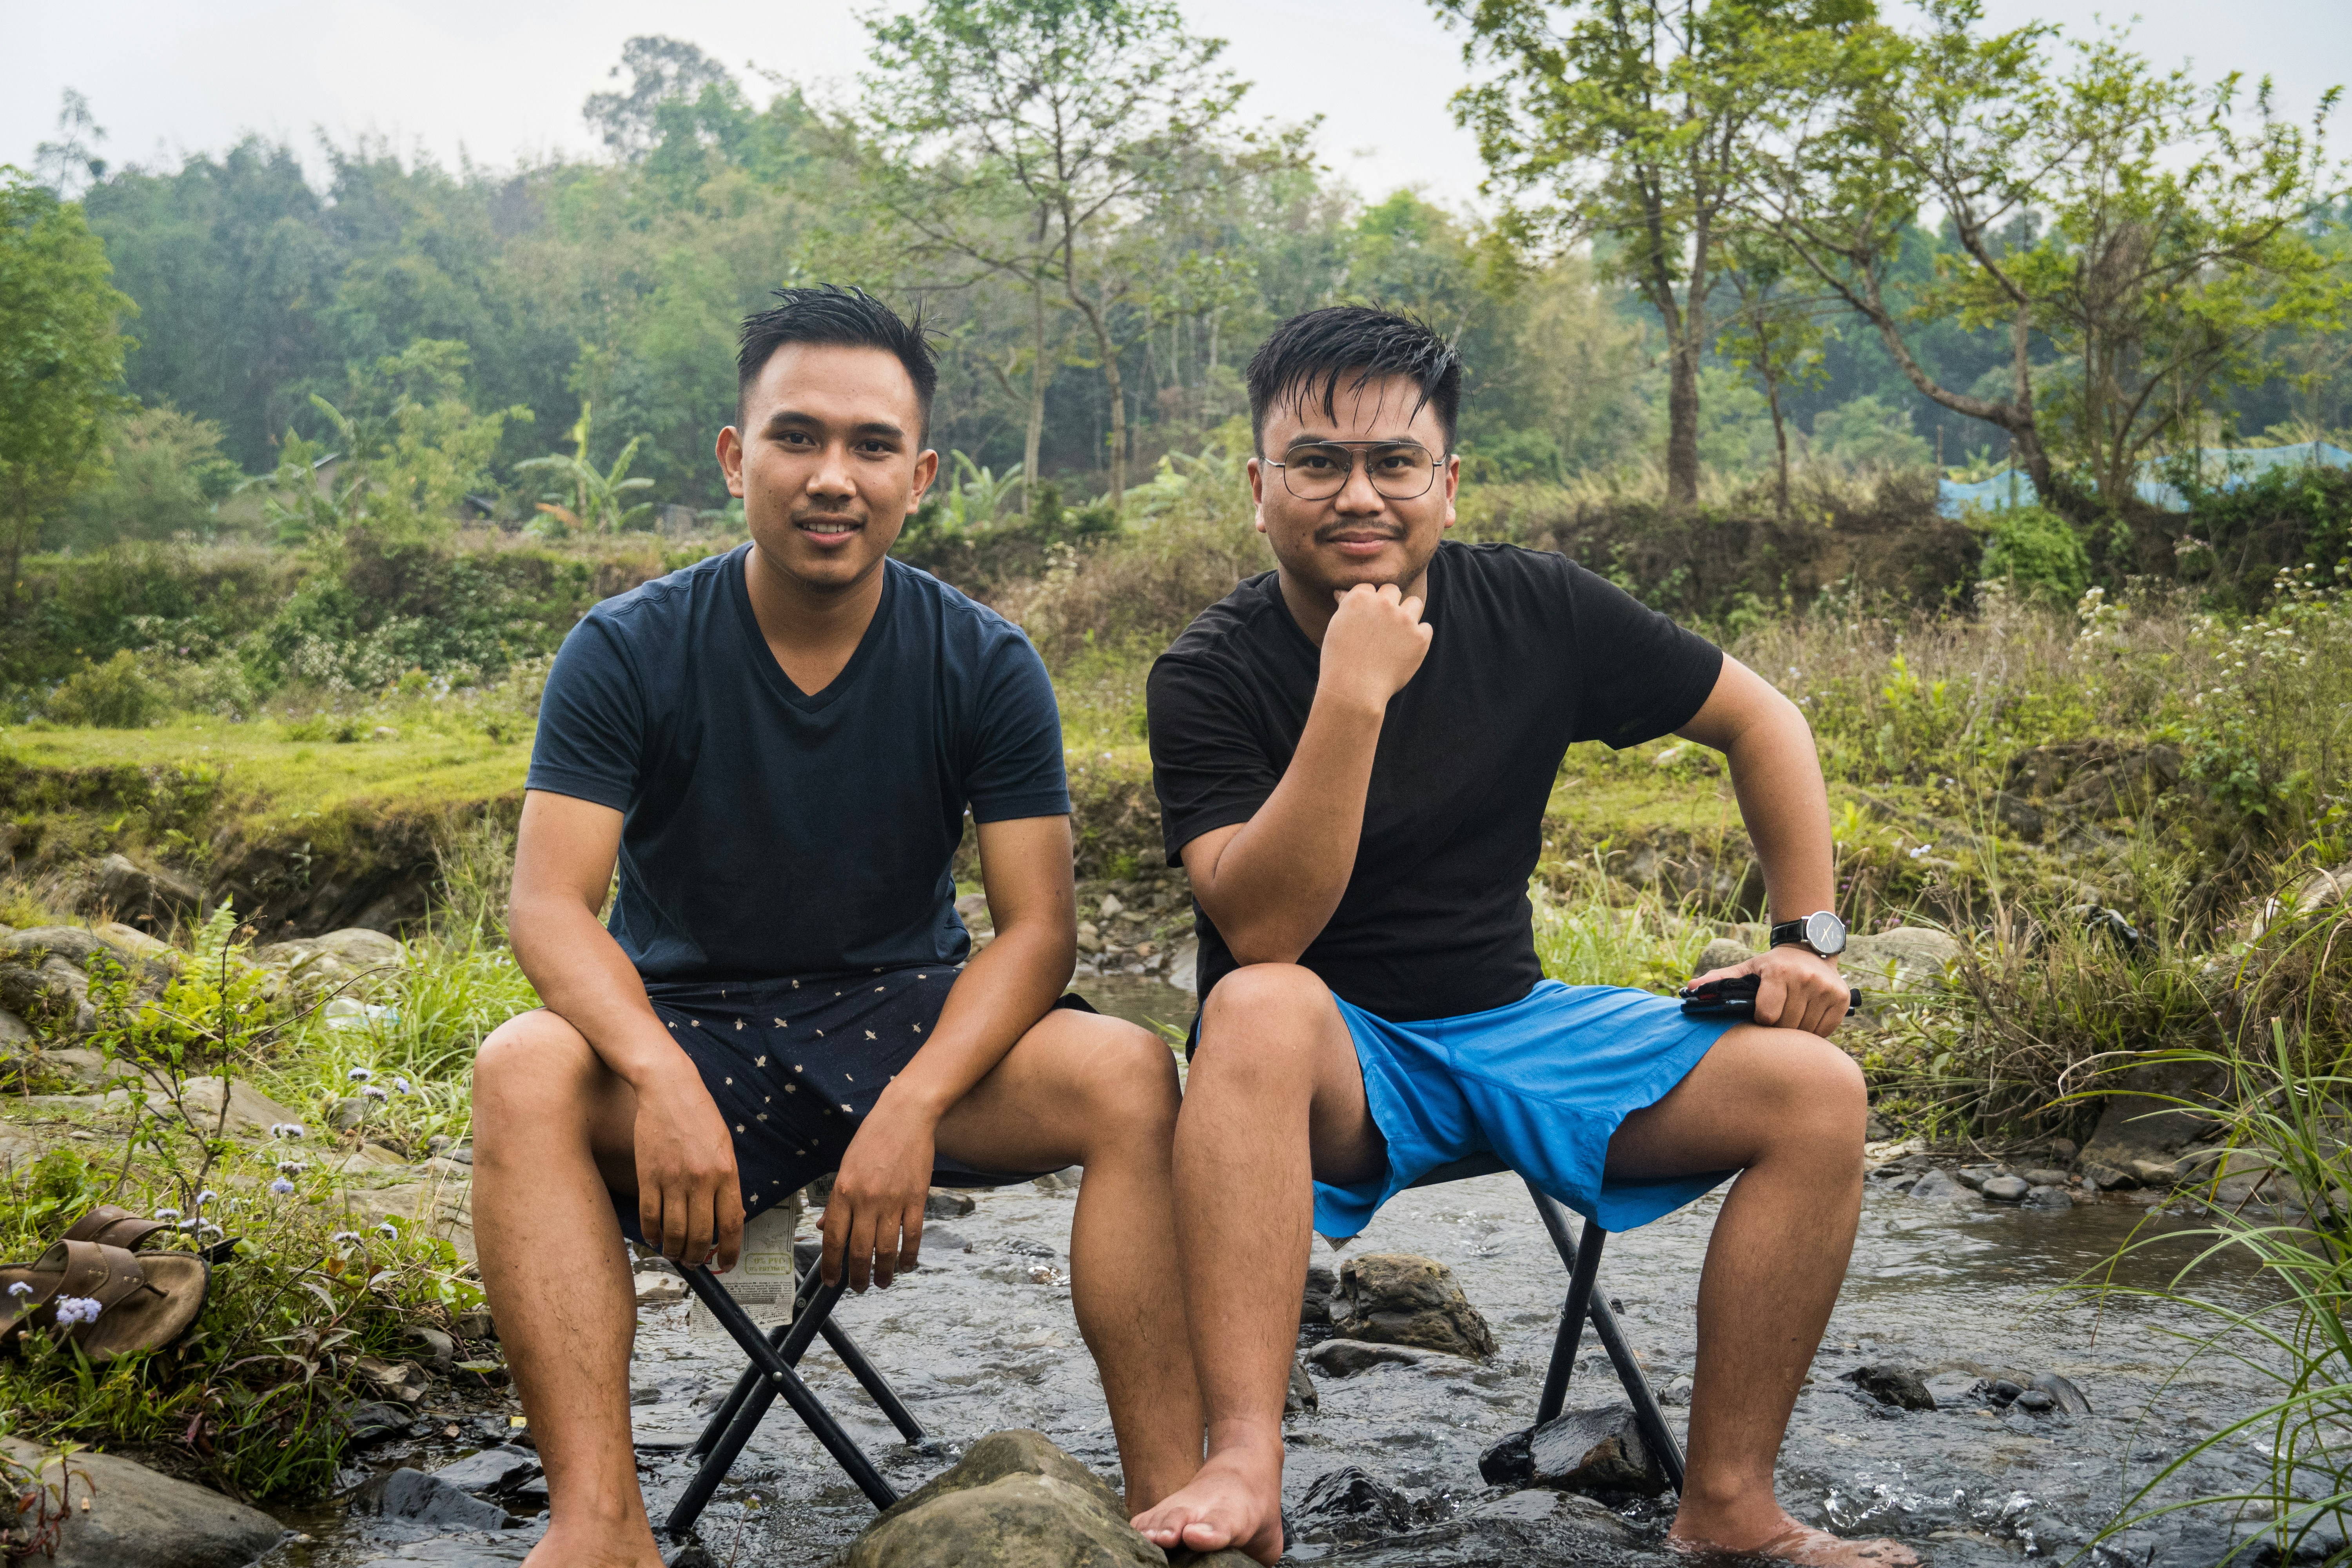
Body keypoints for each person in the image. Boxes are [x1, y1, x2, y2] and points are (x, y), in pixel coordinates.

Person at [1128, 306, 1915, 1568]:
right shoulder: (1208, 672)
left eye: (1395, 462)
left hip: (1515, 1025)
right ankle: (1246, 1461)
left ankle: (1728, 1508)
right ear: (1260, 487)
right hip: (1327, 1067)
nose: (1358, 494)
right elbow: (1266, 925)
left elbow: (1765, 721)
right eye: (1317, 462)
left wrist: (1804, 941)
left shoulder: (1538, 606)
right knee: (1259, 1001)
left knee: (1815, 1090)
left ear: (1447, 482)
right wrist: (1352, 688)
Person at [471, 285, 1203, 1568]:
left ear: (918, 475)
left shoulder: (983, 660)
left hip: (900, 1015)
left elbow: (1038, 935)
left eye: (872, 447)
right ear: (735, 455)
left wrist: (916, 1102)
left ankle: (1175, 1507)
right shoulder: (627, 649)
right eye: (797, 438)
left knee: (1130, 1070)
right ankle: (602, 1524)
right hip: (689, 1026)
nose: (833, 478)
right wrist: (655, 1073)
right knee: (522, 1069)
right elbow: (548, 903)